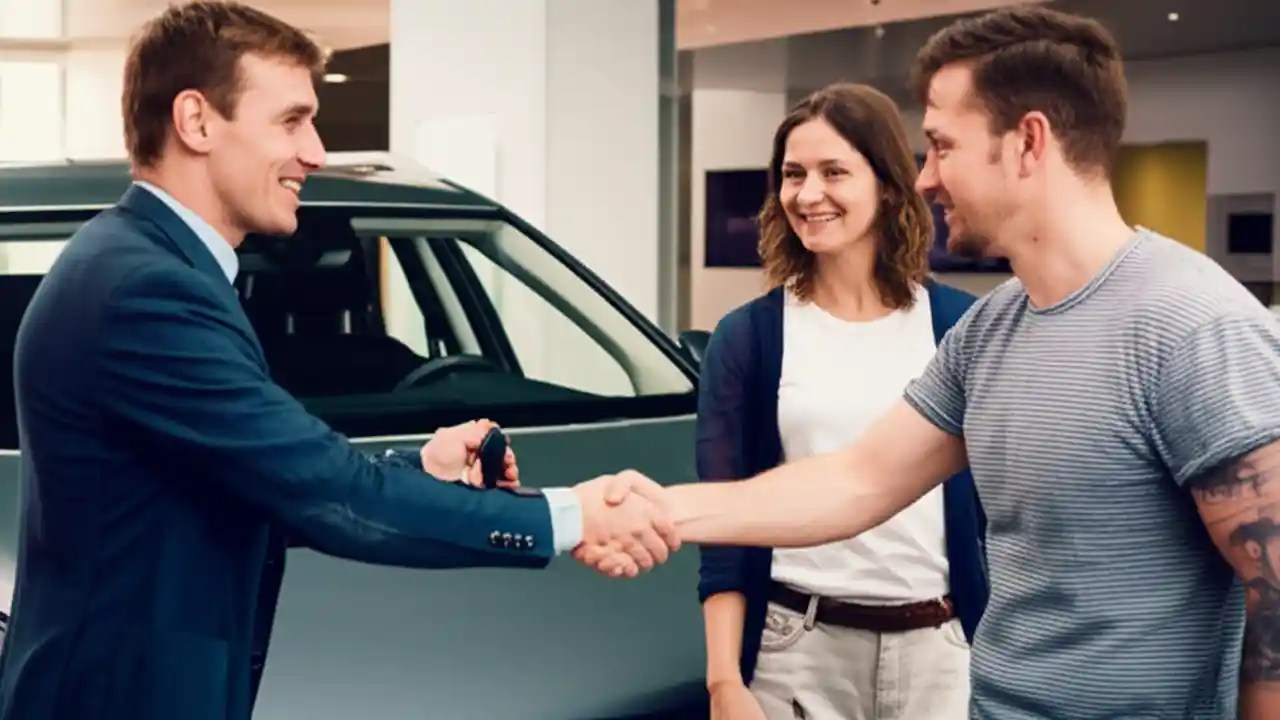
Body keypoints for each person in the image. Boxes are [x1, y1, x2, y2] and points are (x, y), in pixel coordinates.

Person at [585, 6, 1280, 719]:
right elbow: (858, 481)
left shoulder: (1193, 326)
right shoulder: (990, 330)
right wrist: (664, 508)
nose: (924, 179)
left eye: (943, 147)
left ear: (1028, 143)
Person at [0, 3, 673, 719]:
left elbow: (250, 475)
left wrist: (421, 468)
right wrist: (570, 517)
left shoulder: (142, 263)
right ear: (196, 122)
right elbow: (330, 494)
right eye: (291, 121)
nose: (317, 153)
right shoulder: (146, 290)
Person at [695, 83, 986, 720]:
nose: (807, 194)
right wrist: (724, 683)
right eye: (793, 174)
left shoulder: (962, 327)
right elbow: (723, 525)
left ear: (887, 184)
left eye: (833, 172)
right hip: (795, 650)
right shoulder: (749, 337)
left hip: (942, 652)